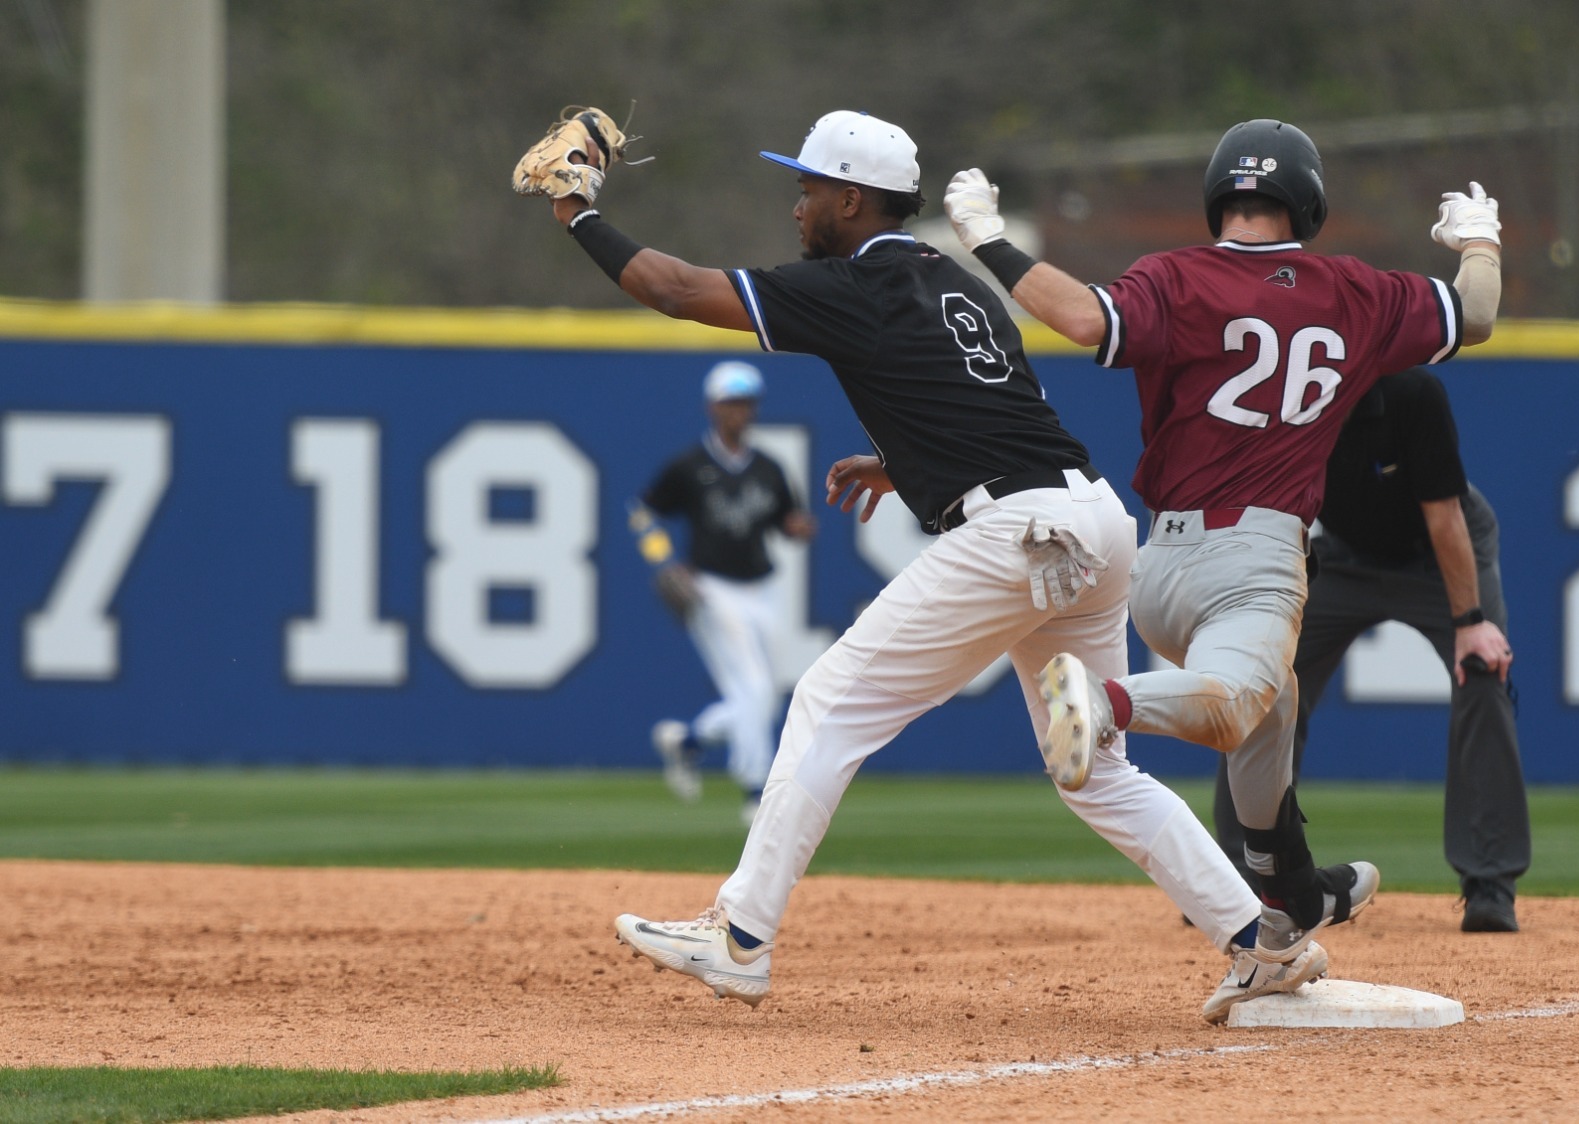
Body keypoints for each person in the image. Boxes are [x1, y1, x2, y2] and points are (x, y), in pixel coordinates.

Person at [523, 108, 1331, 1021]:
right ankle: (1258, 943)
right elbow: (985, 405)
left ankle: (739, 936)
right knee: (1097, 771)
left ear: (854, 198)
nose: (798, 203)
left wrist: (577, 211)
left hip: (1018, 530)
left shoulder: (849, 285)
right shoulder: (954, 280)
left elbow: (672, 288)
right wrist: (903, 464)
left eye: (811, 186)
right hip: (1094, 520)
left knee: (830, 701)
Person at [944, 119, 1502, 963]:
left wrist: (988, 239)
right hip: (1258, 560)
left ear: (1218, 195)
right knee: (1242, 701)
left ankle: (1289, 896)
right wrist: (1479, 238)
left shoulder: (1172, 275)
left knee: (1271, 717)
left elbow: (1081, 320)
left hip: (1160, 569)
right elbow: (1481, 312)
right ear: (1306, 202)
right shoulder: (1352, 290)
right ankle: (1103, 706)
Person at [1207, 367, 1531, 932]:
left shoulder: (1411, 394)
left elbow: (1445, 514)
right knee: (1263, 681)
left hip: (1439, 554)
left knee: (1481, 671)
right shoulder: (1279, 397)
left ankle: (1490, 885)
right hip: (1344, 559)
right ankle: (1238, 876)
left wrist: (1470, 622)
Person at [631, 359, 815, 828]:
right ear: (713, 407)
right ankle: (757, 793)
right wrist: (662, 558)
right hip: (712, 588)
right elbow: (643, 512)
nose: (740, 411)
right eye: (731, 402)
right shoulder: (690, 466)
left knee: (765, 697)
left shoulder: (769, 468)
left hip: (762, 587)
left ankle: (688, 742)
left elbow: (786, 520)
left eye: (747, 402)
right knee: (751, 689)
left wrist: (795, 528)